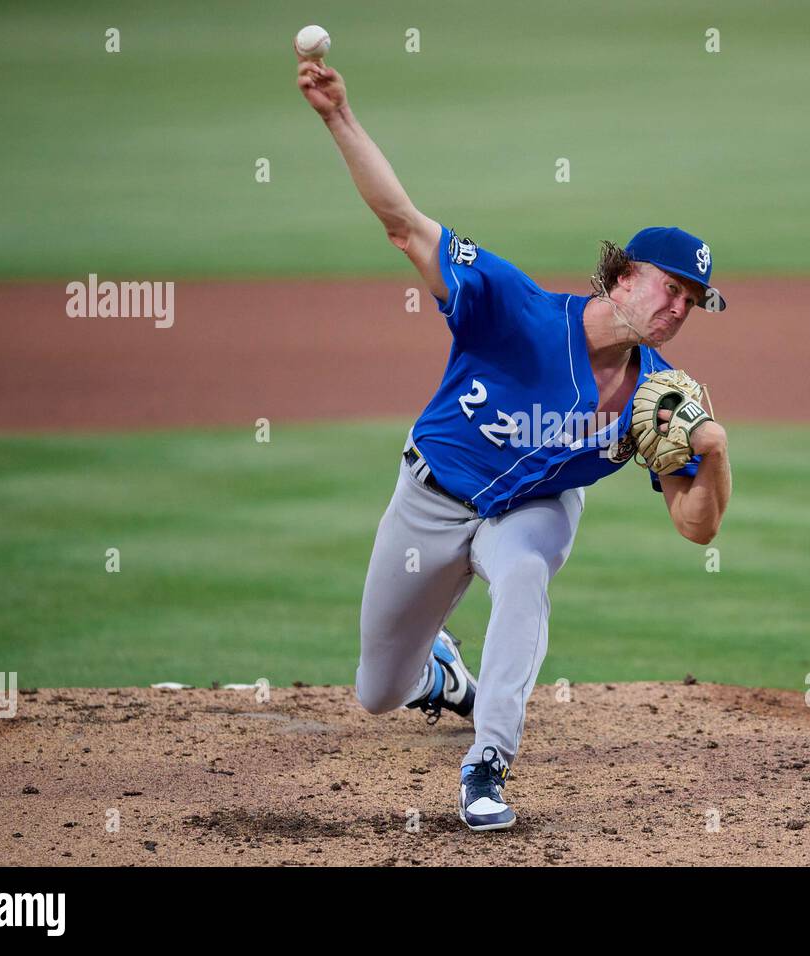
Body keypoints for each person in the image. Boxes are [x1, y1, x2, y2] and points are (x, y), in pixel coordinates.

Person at [297, 54, 732, 831]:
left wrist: (717, 451)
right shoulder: (512, 307)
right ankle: (443, 675)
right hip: (429, 498)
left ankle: (487, 764)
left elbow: (696, 527)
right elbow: (403, 225)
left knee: (526, 572)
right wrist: (337, 115)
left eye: (692, 302)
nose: (676, 311)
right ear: (624, 278)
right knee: (377, 692)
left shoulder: (660, 396)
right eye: (669, 288)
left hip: (531, 511)